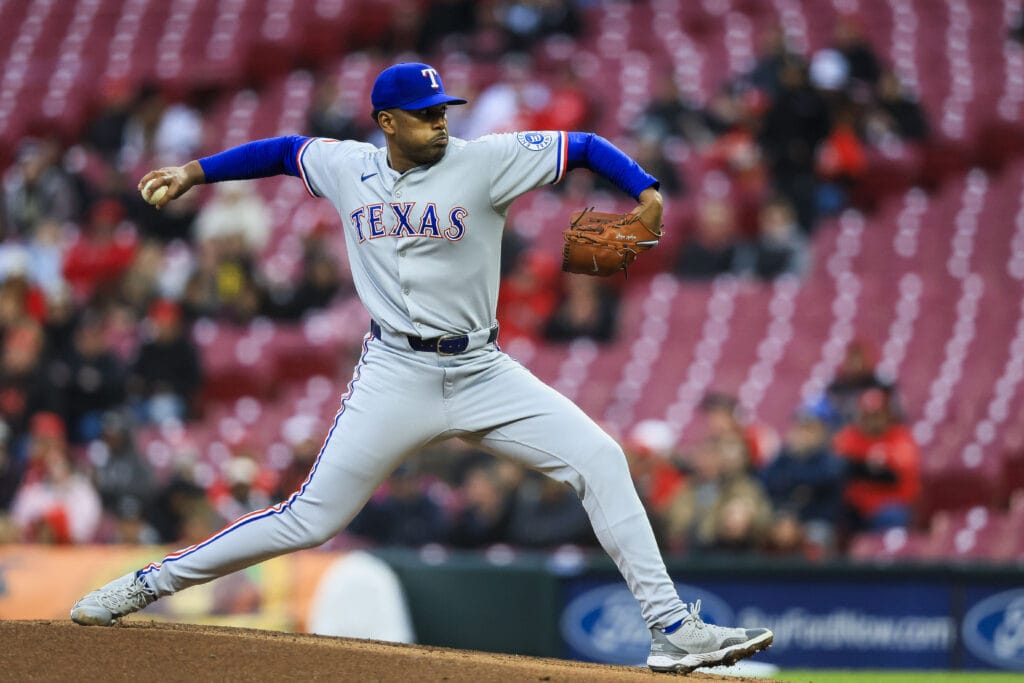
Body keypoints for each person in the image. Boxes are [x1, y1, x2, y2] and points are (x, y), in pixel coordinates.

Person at [69, 62, 772, 673]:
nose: (441, 123)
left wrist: (644, 188)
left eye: (445, 111)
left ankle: (672, 629)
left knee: (600, 456)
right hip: (394, 374)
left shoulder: (486, 159)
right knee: (308, 520)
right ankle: (147, 583)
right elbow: (284, 151)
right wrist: (196, 171)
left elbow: (582, 145)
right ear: (387, 122)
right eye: (426, 114)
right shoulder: (348, 166)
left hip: (482, 368)